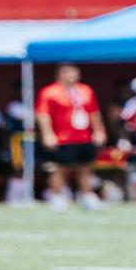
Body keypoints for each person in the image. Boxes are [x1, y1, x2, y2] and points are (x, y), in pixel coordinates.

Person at [36, 64, 108, 211]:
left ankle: (87, 196)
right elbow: (43, 114)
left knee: (86, 167)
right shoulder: (50, 92)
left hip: (84, 136)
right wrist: (48, 134)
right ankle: (57, 196)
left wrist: (98, 131)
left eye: (75, 72)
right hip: (62, 137)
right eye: (68, 72)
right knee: (59, 168)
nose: (73, 75)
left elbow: (94, 112)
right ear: (60, 74)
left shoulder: (85, 90)